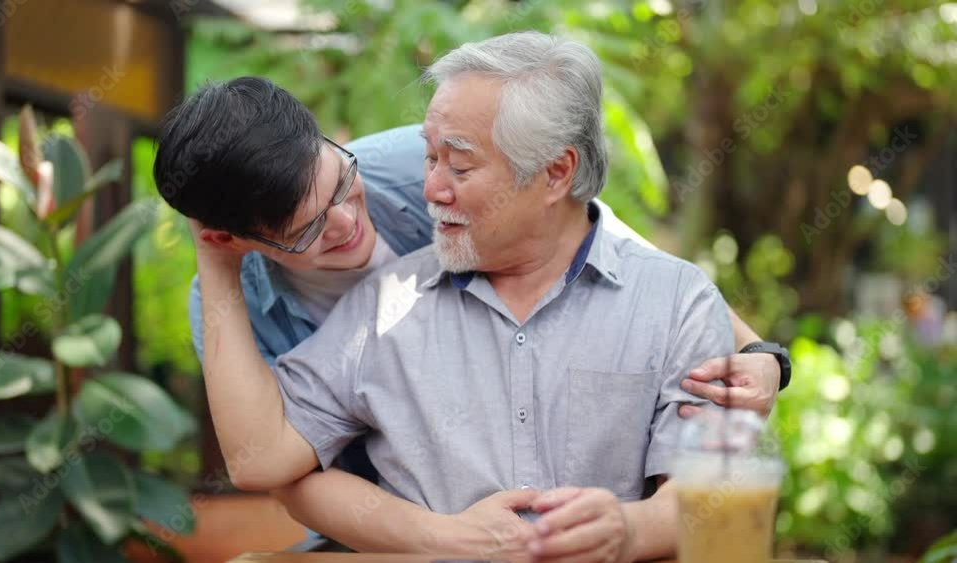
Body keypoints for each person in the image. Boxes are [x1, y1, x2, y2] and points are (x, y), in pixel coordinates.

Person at [181, 31, 785, 562]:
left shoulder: (678, 300)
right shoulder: (379, 306)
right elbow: (266, 462)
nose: (430, 188)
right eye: (429, 158)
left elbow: (724, 489)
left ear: (554, 173)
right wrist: (448, 539)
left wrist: (758, 353)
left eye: (459, 169)